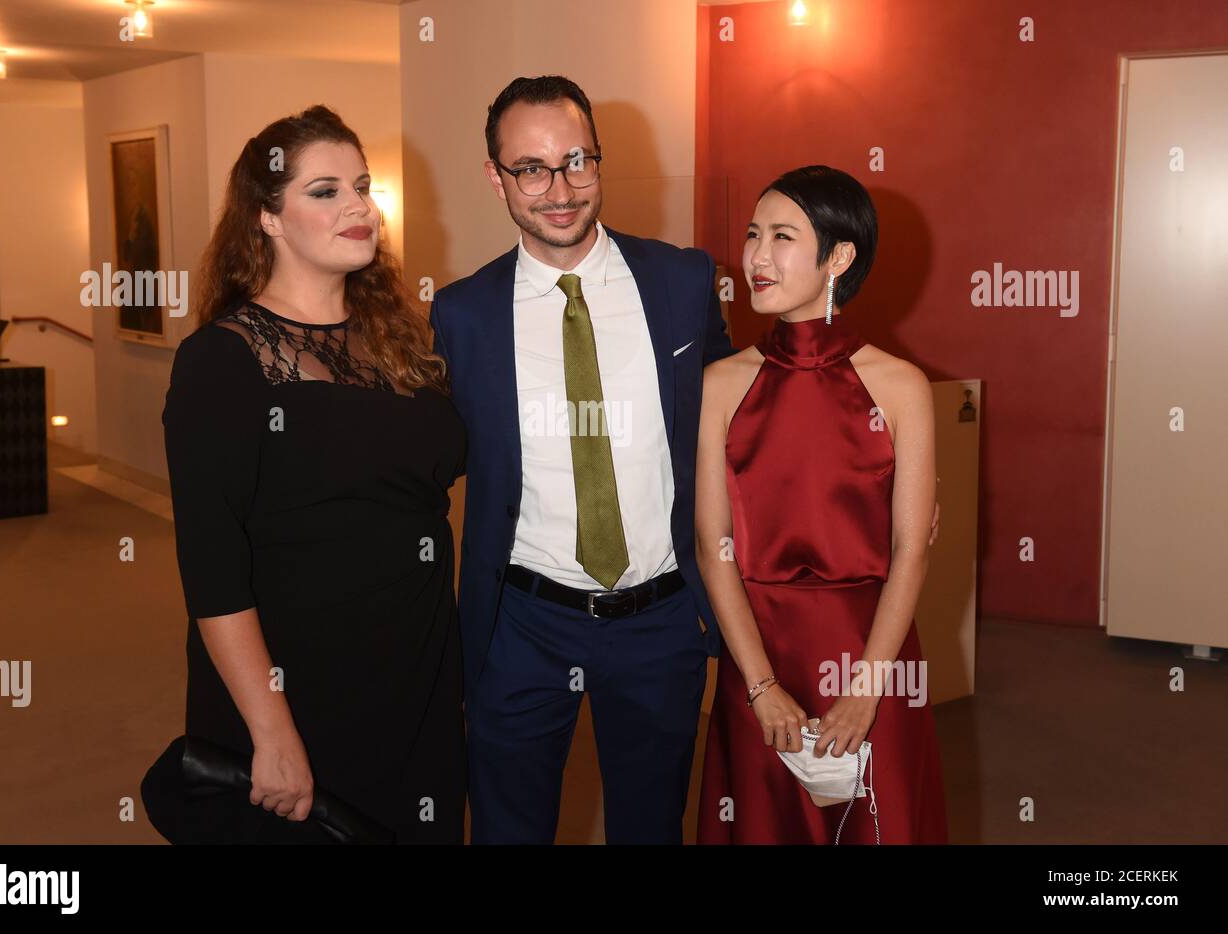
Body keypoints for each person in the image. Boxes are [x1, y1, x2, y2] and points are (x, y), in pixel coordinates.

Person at [141, 105, 466, 844]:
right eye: (326, 191)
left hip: (416, 668)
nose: (360, 207)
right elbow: (212, 567)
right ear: (268, 218)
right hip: (301, 678)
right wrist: (271, 728)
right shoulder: (221, 360)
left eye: (363, 186)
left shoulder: (404, 342)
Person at [429, 76, 736, 844]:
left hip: (660, 619)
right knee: (508, 829)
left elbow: (740, 423)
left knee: (651, 827)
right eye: (530, 169)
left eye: (576, 161)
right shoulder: (462, 315)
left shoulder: (683, 281)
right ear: (495, 176)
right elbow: (420, 457)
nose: (560, 190)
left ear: (599, 158)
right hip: (521, 624)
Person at [695, 166, 949, 844]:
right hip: (758, 653)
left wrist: (866, 689)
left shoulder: (901, 385)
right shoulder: (722, 383)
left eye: (783, 237)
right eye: (753, 234)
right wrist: (759, 686)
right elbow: (712, 548)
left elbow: (910, 551)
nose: (757, 256)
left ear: (838, 258)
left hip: (872, 653)